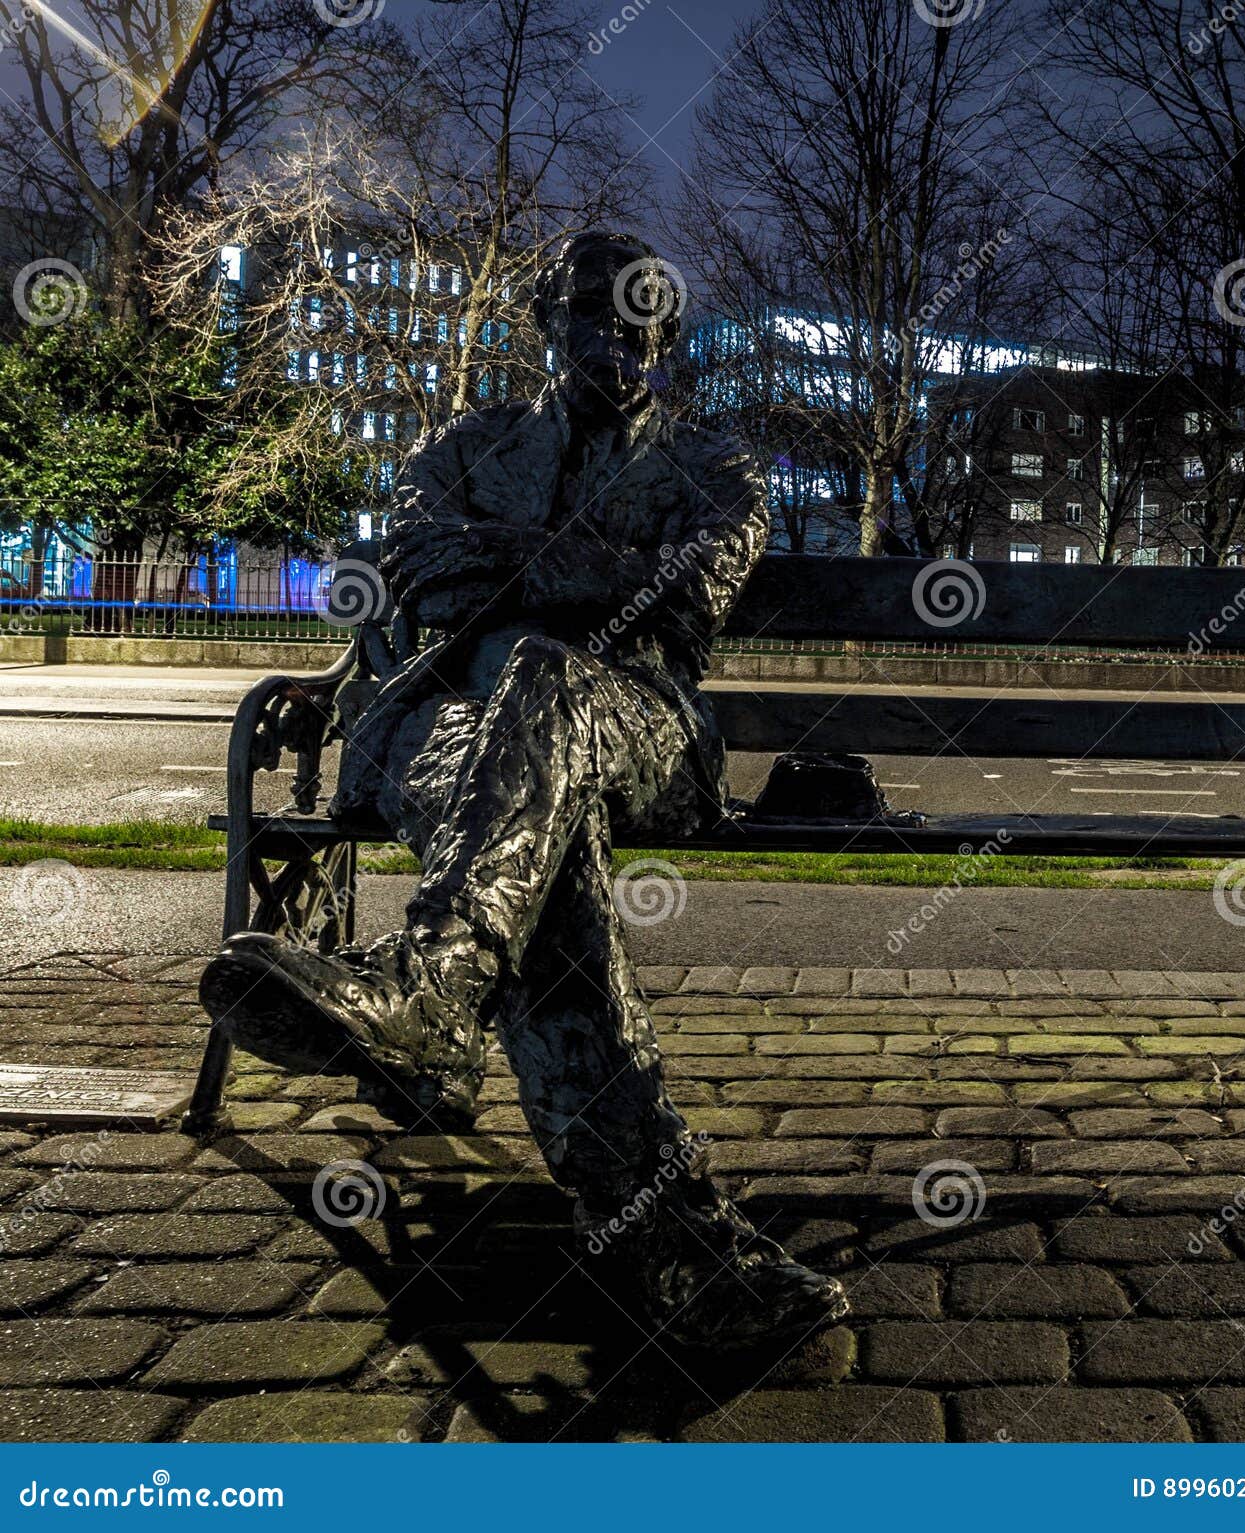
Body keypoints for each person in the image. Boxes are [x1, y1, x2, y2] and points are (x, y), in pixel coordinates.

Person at [200, 230, 848, 1351]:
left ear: (672, 335)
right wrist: (575, 565)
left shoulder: (714, 464)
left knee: (545, 684)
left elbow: (683, 601)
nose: (624, 334)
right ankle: (681, 1251)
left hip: (637, 724)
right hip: (444, 725)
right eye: (598, 309)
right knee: (541, 862)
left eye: (647, 315)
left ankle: (432, 990)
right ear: (545, 322)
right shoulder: (465, 445)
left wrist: (506, 562)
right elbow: (415, 571)